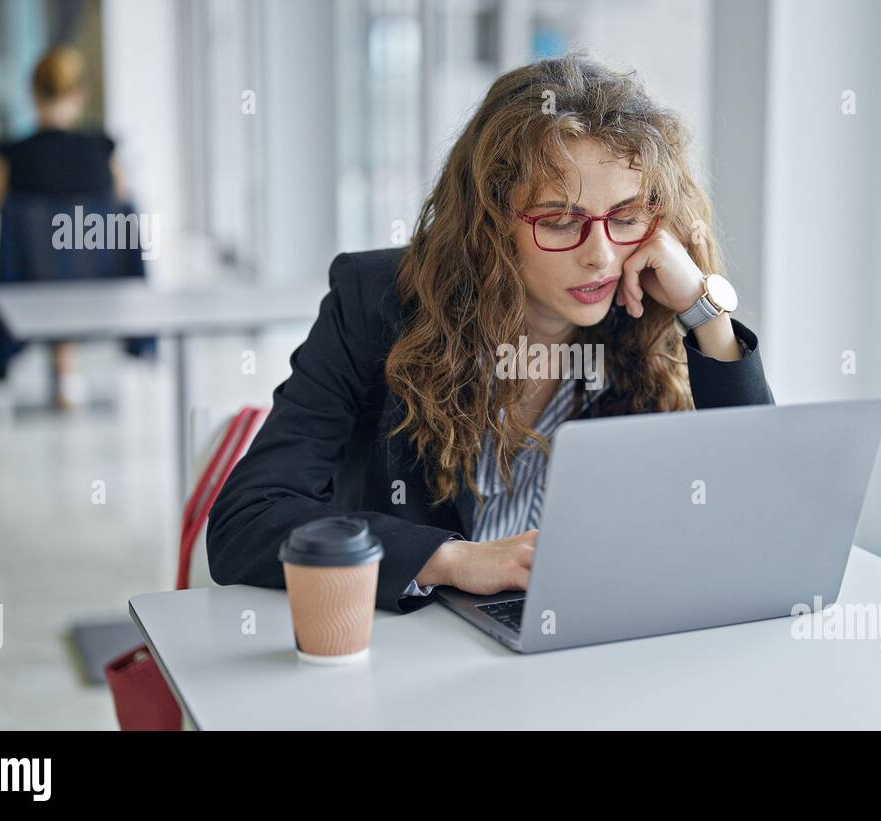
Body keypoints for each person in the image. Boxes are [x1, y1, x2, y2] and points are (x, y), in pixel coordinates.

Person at [207, 53, 776, 613]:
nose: (601, 255)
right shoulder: (374, 302)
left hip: (592, 653)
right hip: (414, 665)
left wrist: (704, 314)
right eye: (559, 221)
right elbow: (247, 522)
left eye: (626, 218)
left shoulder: (645, 319)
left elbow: (765, 520)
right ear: (489, 223)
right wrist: (450, 560)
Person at [0, 44, 131, 410]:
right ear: (80, 95)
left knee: (35, 247)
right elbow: (122, 202)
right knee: (75, 245)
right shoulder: (102, 148)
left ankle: (61, 374)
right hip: (98, 283)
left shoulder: (11, 154)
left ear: (33, 94)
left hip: (32, 286)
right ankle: (70, 375)